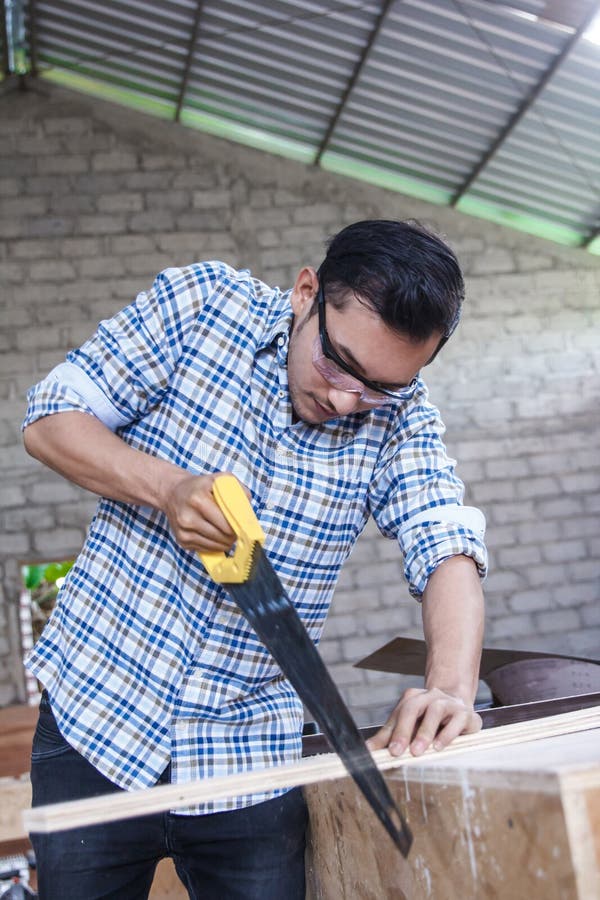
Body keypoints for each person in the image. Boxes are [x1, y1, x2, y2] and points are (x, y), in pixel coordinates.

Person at [22, 219, 486, 899]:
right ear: (306, 292)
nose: (344, 399)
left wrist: (449, 688)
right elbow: (50, 418)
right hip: (96, 720)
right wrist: (167, 489)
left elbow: (447, 543)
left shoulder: (401, 420)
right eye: (338, 364)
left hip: (248, 756)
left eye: (378, 387)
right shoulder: (203, 307)